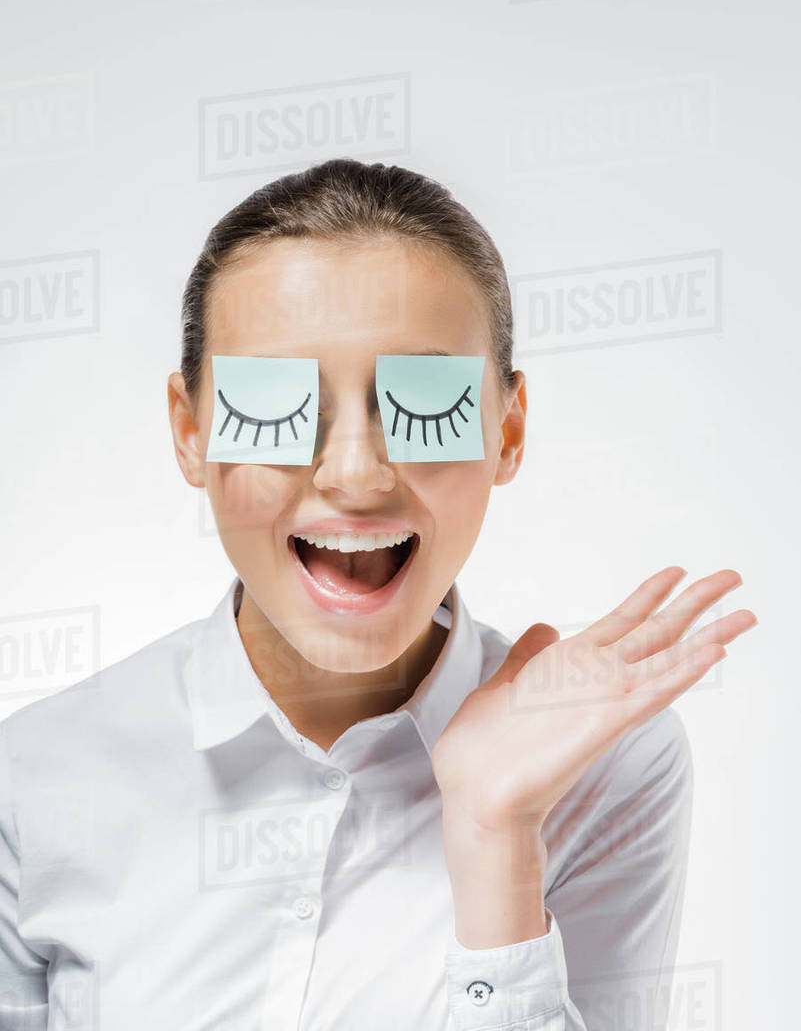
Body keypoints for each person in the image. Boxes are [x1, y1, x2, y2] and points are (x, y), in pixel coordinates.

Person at [0, 159, 755, 1030]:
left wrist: (496, 837)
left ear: (506, 431)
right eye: (274, 409)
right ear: (191, 431)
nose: (356, 475)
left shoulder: (607, 766)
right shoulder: (34, 778)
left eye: (423, 408)